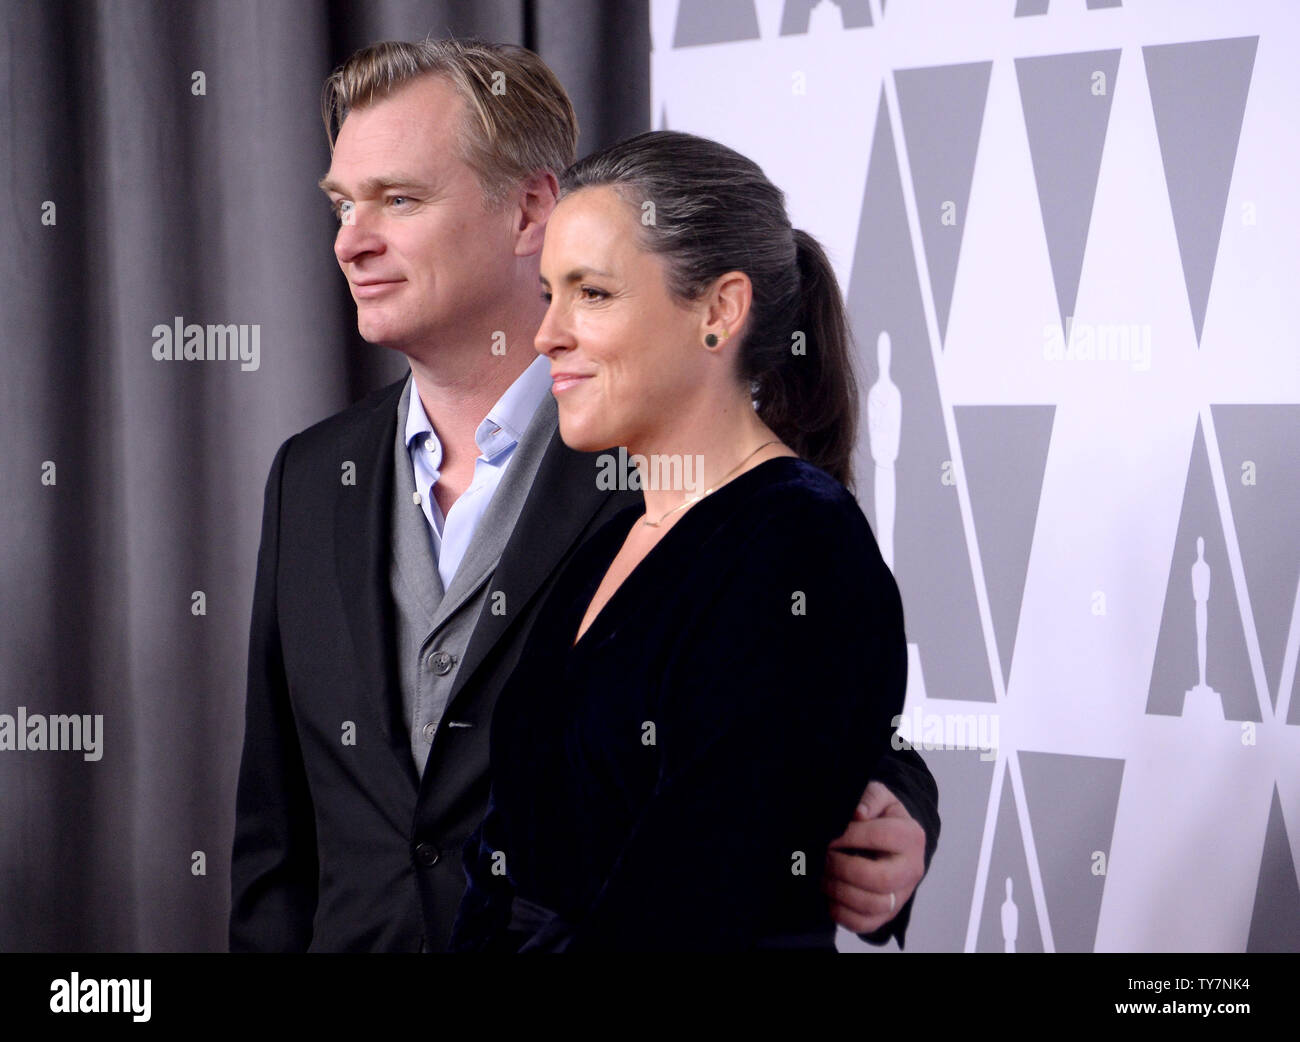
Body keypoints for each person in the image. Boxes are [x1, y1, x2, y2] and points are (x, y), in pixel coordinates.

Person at [229, 38, 938, 953]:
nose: (350, 240)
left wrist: (898, 808)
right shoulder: (309, 476)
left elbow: (789, 724)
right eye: (342, 203)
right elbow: (275, 838)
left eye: (399, 199)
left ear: (530, 206)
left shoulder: (677, 465)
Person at [450, 130, 910, 951]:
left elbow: (699, 905)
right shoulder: (611, 541)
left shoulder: (799, 546)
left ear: (719, 310)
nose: (546, 334)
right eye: (550, 294)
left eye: (591, 293)